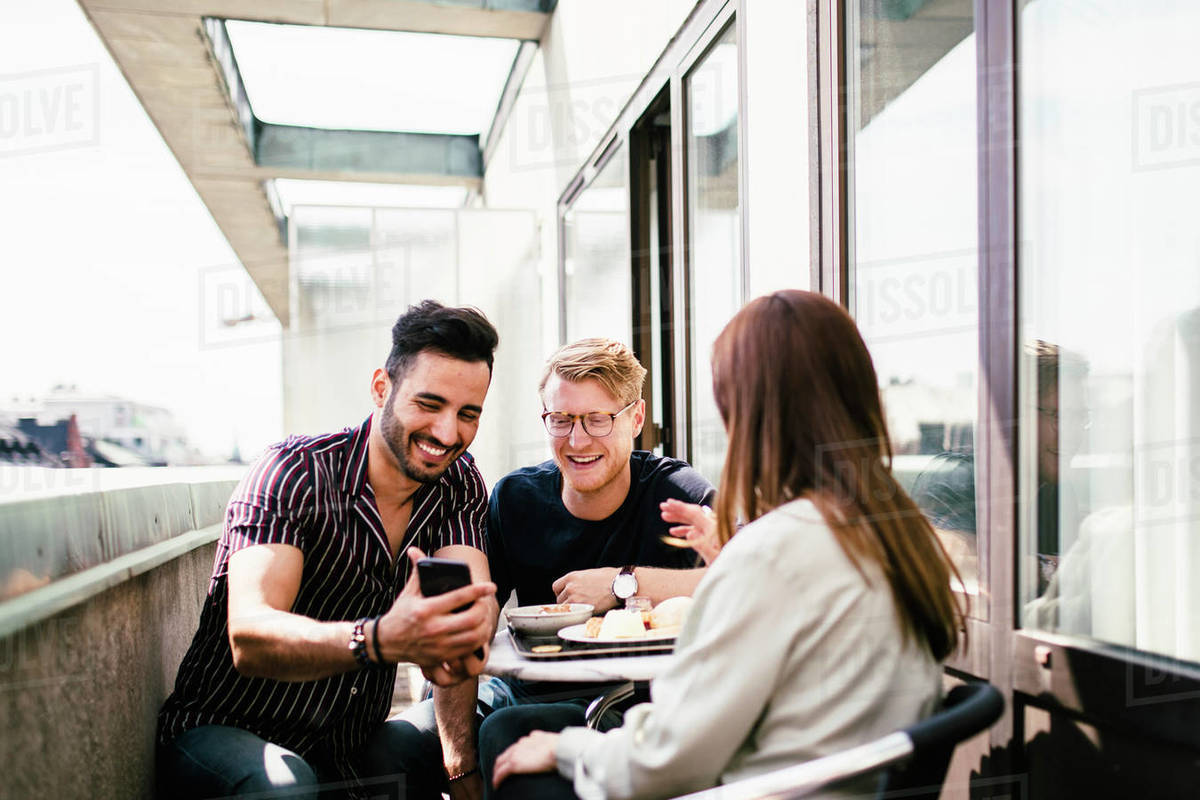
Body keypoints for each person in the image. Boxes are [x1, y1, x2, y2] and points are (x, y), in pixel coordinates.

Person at [482, 290, 964, 800]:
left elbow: (665, 762)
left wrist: (565, 750)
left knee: (520, 761)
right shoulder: (895, 535)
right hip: (822, 780)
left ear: (749, 414)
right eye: (562, 420)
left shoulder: (776, 549)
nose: (578, 439)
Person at [156, 300, 502, 800]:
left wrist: (467, 635)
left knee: (501, 722)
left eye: (467, 414)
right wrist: (380, 639)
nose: (448, 433)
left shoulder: (458, 482)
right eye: (429, 405)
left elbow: (465, 603)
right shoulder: (294, 471)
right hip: (228, 739)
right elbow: (250, 636)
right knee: (285, 785)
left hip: (348, 753)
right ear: (381, 388)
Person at [389, 337, 715, 799]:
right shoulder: (516, 498)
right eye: (560, 420)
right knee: (394, 746)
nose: (577, 440)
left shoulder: (675, 491)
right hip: (520, 687)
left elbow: (747, 575)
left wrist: (625, 582)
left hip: (632, 699)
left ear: (636, 418)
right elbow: (463, 624)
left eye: (597, 419)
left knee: (507, 731)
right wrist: (458, 762)